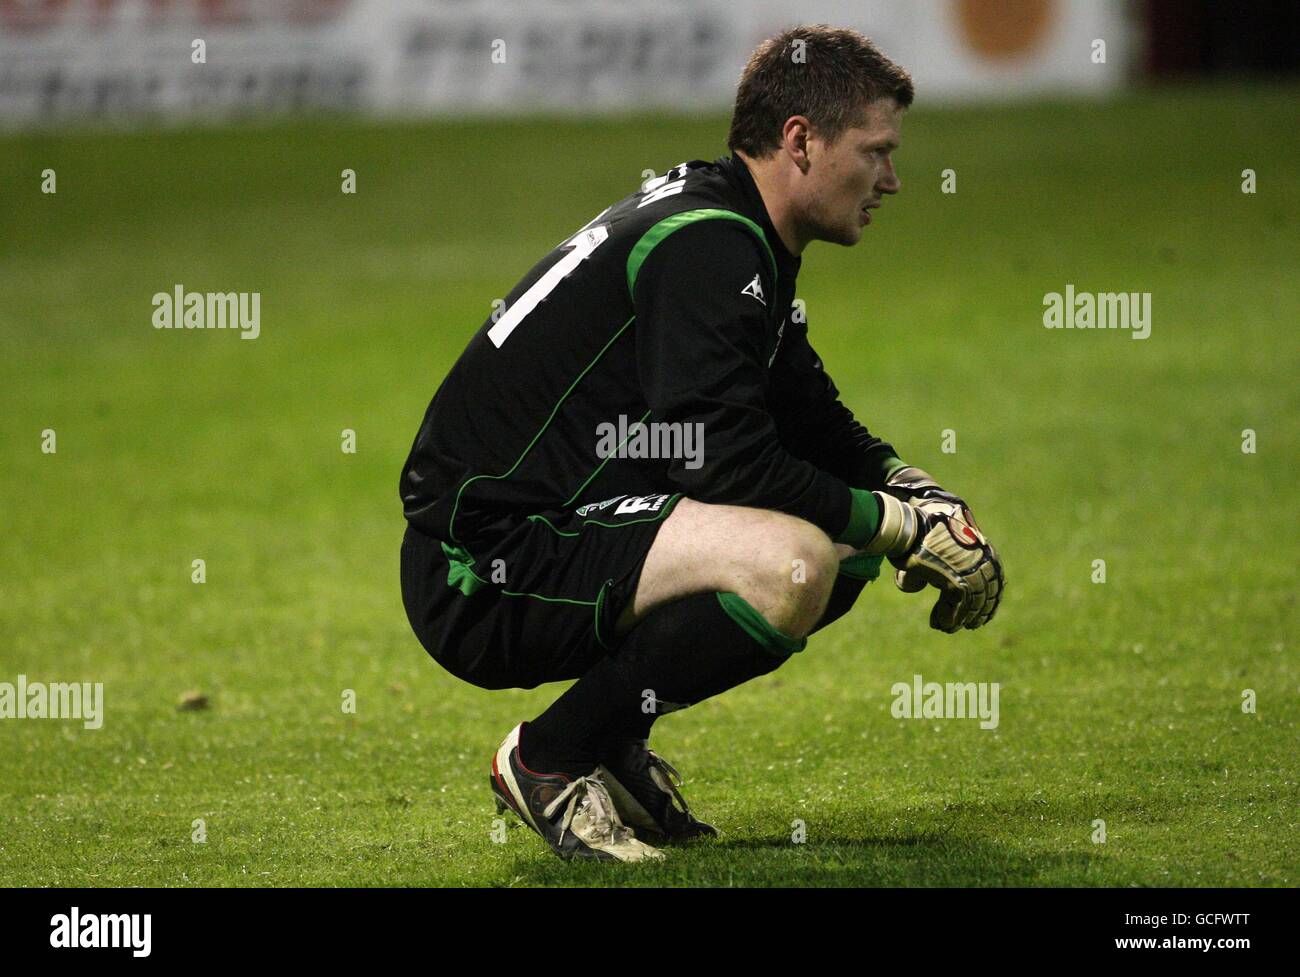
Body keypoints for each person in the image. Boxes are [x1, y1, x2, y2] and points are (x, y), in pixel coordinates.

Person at [399, 25, 1004, 863]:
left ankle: (608, 747)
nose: (893, 180)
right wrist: (900, 527)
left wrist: (921, 495)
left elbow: (814, 419)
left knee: (840, 546)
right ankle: (550, 759)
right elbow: (724, 461)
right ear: (801, 140)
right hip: (481, 562)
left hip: (556, 524)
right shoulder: (707, 245)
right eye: (876, 152)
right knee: (796, 561)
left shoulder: (730, 228)